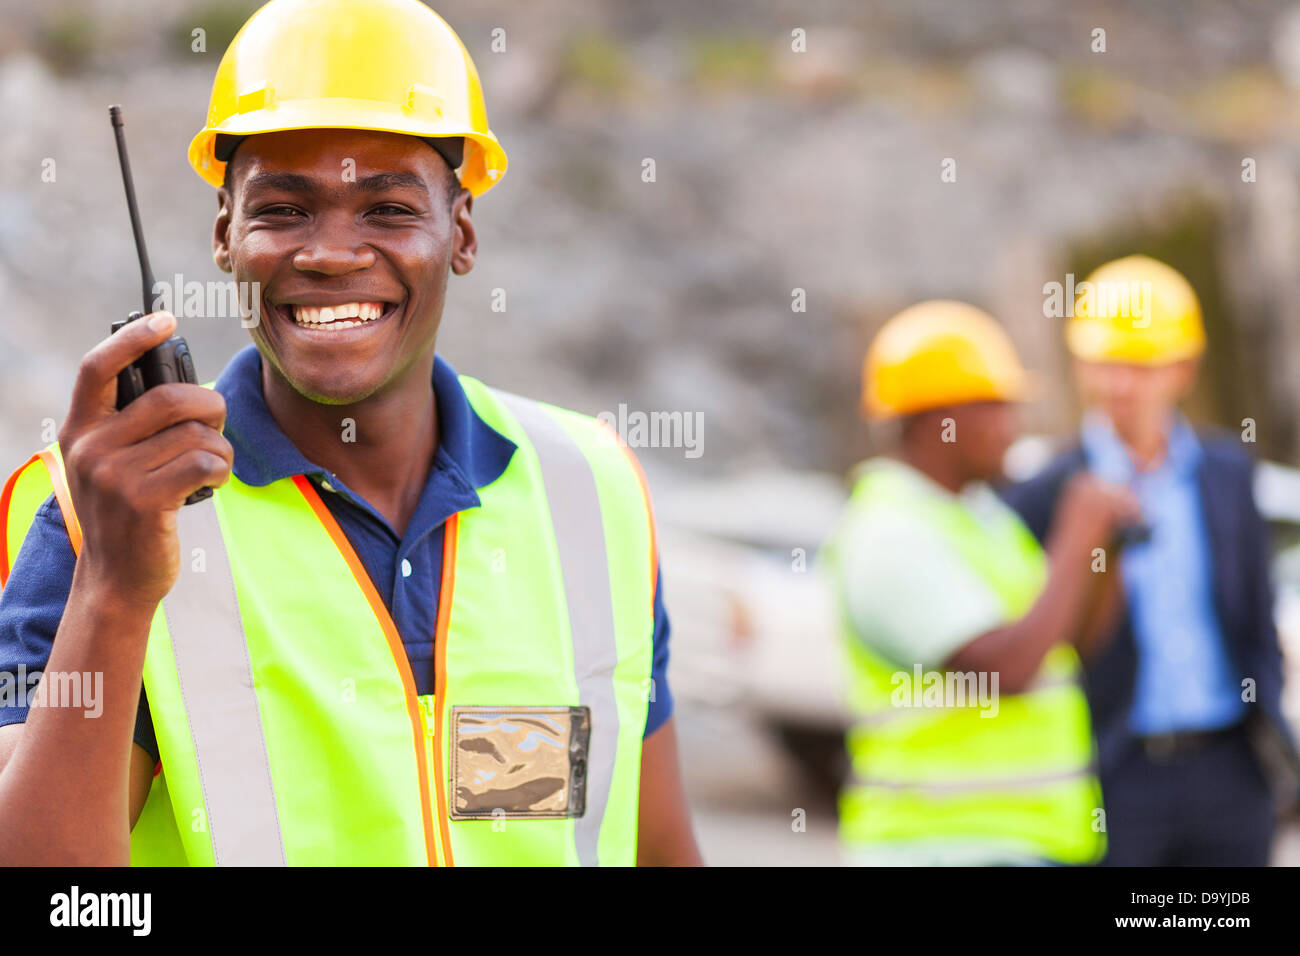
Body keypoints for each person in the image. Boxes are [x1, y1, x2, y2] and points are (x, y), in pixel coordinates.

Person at [0, 0, 700, 866]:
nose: (331, 252)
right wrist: (112, 585)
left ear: (462, 233)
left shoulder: (589, 491)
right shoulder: (103, 516)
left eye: (389, 209)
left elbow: (657, 847)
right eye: (285, 210)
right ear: (227, 238)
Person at [1002, 255, 1299, 866]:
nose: (1119, 385)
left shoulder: (1226, 473)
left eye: (1139, 365)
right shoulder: (1045, 495)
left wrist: (1267, 741)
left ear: (1183, 369)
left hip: (1230, 770)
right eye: (1105, 363)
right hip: (1113, 771)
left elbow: (1256, 616)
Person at [827, 300, 1138, 865]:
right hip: (941, 846)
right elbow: (1002, 669)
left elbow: (1068, 646)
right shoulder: (889, 532)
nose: (1012, 428)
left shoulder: (982, 518)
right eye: (996, 408)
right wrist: (1075, 537)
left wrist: (1103, 553)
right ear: (938, 419)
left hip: (1024, 843)